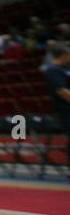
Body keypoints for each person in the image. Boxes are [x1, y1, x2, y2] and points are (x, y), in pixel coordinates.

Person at [42, 42, 70, 180]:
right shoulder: (53, 70)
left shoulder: (66, 68)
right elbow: (62, 91)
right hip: (66, 111)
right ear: (64, 55)